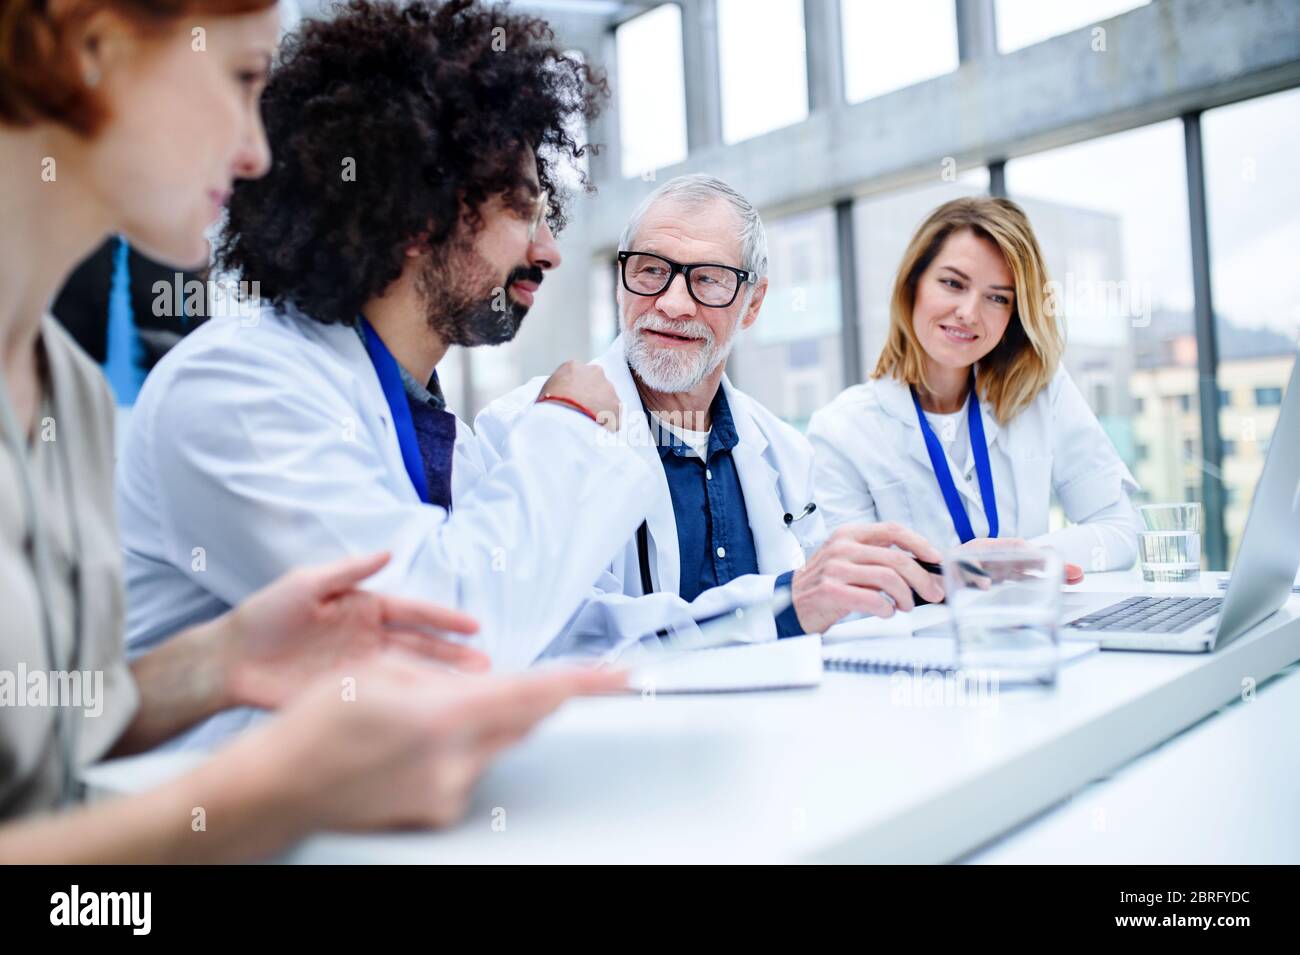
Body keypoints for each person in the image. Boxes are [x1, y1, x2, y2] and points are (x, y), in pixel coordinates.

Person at [0, 0, 618, 863]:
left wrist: (219, 661)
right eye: (240, 79)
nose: (256, 153)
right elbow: (460, 627)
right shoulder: (228, 381)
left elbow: (33, 742)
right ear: (97, 47)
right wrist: (270, 794)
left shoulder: (59, 387)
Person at [115, 0, 657, 743]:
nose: (549, 251)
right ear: (416, 216)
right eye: (521, 211)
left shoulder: (424, 420)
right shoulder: (236, 389)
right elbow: (447, 642)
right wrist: (566, 429)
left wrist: (780, 606)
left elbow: (558, 624)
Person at [476, 175, 946, 659]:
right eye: (650, 270)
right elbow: (559, 635)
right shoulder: (523, 430)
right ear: (621, 282)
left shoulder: (783, 450)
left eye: (708, 279)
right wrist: (781, 608)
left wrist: (930, 577)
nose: (673, 304)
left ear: (753, 304)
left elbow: (824, 610)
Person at [807, 197, 1141, 580]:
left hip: (1031, 628)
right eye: (952, 283)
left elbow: (1120, 531)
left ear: (1014, 315)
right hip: (917, 638)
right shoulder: (841, 430)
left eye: (997, 297)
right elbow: (853, 587)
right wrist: (953, 575)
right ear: (912, 284)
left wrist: (1022, 556)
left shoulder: (1042, 391)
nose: (969, 312)